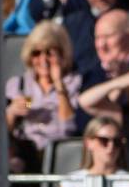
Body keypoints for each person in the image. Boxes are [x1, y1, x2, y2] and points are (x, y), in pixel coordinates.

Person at [5, 19, 80, 169]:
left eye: (50, 53)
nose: (43, 60)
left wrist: (59, 84)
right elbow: (3, 132)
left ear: (63, 54)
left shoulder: (74, 83)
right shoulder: (19, 84)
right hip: (26, 152)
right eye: (37, 53)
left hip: (60, 152)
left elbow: (68, 128)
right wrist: (12, 112)